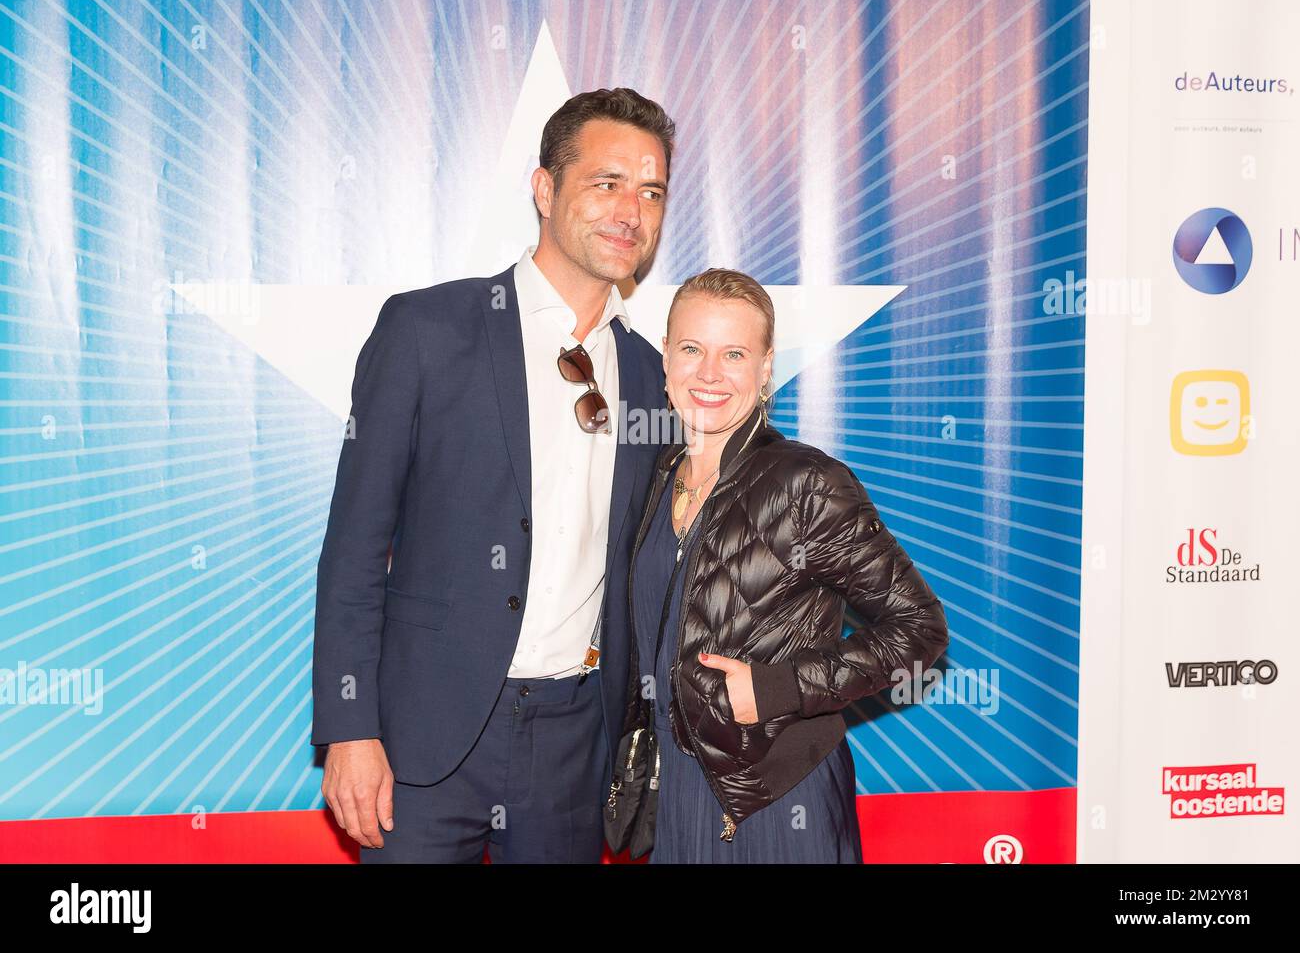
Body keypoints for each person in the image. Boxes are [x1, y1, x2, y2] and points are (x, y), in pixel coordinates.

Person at [311, 88, 675, 862]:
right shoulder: (427, 330)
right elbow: (352, 550)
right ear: (545, 189)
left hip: (576, 746)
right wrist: (350, 728)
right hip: (420, 743)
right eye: (605, 183)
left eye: (650, 192)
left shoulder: (651, 377)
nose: (629, 212)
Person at [621, 268, 949, 862]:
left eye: (735, 353)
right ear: (665, 358)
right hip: (676, 797)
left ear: (766, 366)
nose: (711, 373)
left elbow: (919, 630)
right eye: (692, 349)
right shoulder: (654, 477)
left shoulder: (807, 482)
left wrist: (776, 688)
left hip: (773, 800)